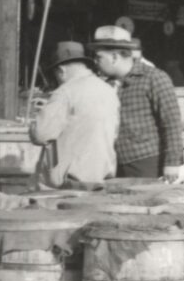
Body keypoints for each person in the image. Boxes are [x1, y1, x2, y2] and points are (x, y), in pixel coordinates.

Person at [89, 24, 184, 183]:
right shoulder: (106, 85)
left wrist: (172, 163)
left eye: (99, 57)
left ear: (114, 57)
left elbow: (172, 122)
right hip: (116, 163)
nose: (95, 61)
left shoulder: (154, 78)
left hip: (148, 162)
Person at [29, 41, 118, 188]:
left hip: (71, 180)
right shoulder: (109, 91)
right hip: (102, 177)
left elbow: (41, 134)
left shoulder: (65, 92)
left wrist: (36, 121)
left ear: (61, 70)